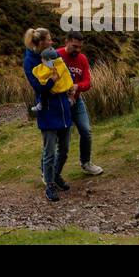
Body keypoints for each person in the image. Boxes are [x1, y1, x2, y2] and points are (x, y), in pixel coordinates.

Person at [23, 27, 74, 202]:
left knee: (65, 149)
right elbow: (37, 86)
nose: (52, 42)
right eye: (49, 39)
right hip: (48, 110)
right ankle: (50, 184)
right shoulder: (30, 61)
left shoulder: (52, 54)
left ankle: (56, 175)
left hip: (63, 107)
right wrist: (51, 81)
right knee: (50, 151)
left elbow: (65, 72)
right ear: (40, 42)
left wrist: (69, 87)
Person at [58, 30, 104, 176]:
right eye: (74, 46)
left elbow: (87, 82)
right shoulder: (57, 55)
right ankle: (49, 170)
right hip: (60, 104)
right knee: (61, 141)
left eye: (79, 47)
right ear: (67, 42)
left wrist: (78, 86)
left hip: (77, 102)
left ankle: (86, 163)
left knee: (86, 131)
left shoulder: (82, 59)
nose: (77, 50)